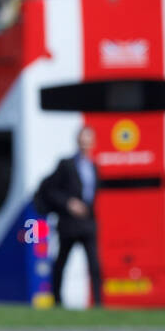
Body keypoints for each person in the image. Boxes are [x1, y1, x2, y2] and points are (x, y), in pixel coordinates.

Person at [41, 127, 104, 307]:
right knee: (61, 262)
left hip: (88, 224)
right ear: (77, 142)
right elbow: (50, 190)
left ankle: (99, 303)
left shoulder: (94, 166)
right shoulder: (66, 164)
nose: (85, 144)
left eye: (88, 141)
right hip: (69, 224)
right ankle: (57, 300)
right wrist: (69, 203)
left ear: (93, 143)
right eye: (82, 141)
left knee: (94, 264)